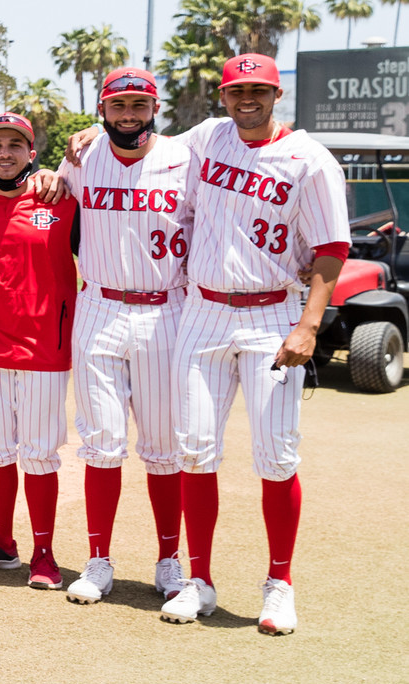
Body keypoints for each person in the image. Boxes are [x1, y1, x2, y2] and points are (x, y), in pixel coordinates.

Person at [157, 56, 346, 633]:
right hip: (204, 312)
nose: (247, 99)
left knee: (277, 454)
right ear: (223, 95)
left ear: (276, 94)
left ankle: (279, 584)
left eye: (258, 90)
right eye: (237, 89)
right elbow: (151, 151)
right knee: (194, 451)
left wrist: (309, 325)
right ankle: (200, 580)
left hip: (273, 313)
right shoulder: (208, 136)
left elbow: (331, 248)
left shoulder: (310, 158)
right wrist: (91, 136)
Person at [53, 67, 194, 605]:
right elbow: (46, 187)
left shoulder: (185, 158)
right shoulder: (82, 157)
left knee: (164, 448)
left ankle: (169, 560)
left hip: (165, 310)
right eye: (118, 106)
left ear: (155, 108)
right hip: (99, 306)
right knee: (102, 444)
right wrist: (58, 164)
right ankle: (98, 560)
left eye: (139, 105)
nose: (128, 115)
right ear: (102, 110)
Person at [0, 112, 80, 590]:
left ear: (31, 152)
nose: (5, 153)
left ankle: (44, 552)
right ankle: (1, 541)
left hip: (46, 348)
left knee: (40, 454)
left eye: (14, 144)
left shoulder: (62, 201)